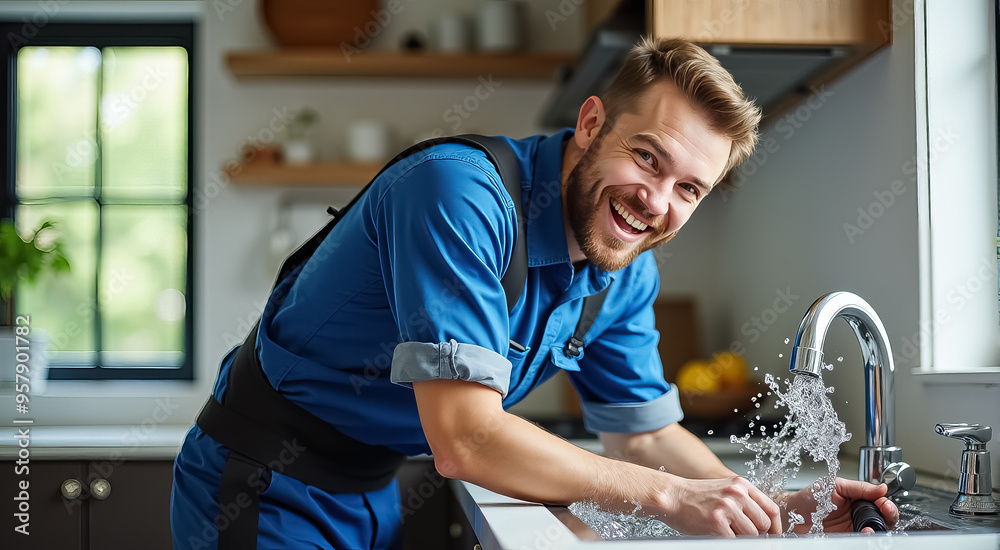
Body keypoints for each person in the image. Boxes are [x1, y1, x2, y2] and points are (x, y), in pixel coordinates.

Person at [170, 36, 898, 549]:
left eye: (689, 189)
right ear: (590, 125)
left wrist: (773, 508)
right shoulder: (458, 196)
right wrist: (675, 499)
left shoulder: (624, 270)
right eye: (647, 158)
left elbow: (640, 433)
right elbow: (467, 439)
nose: (656, 202)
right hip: (263, 482)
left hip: (371, 486)